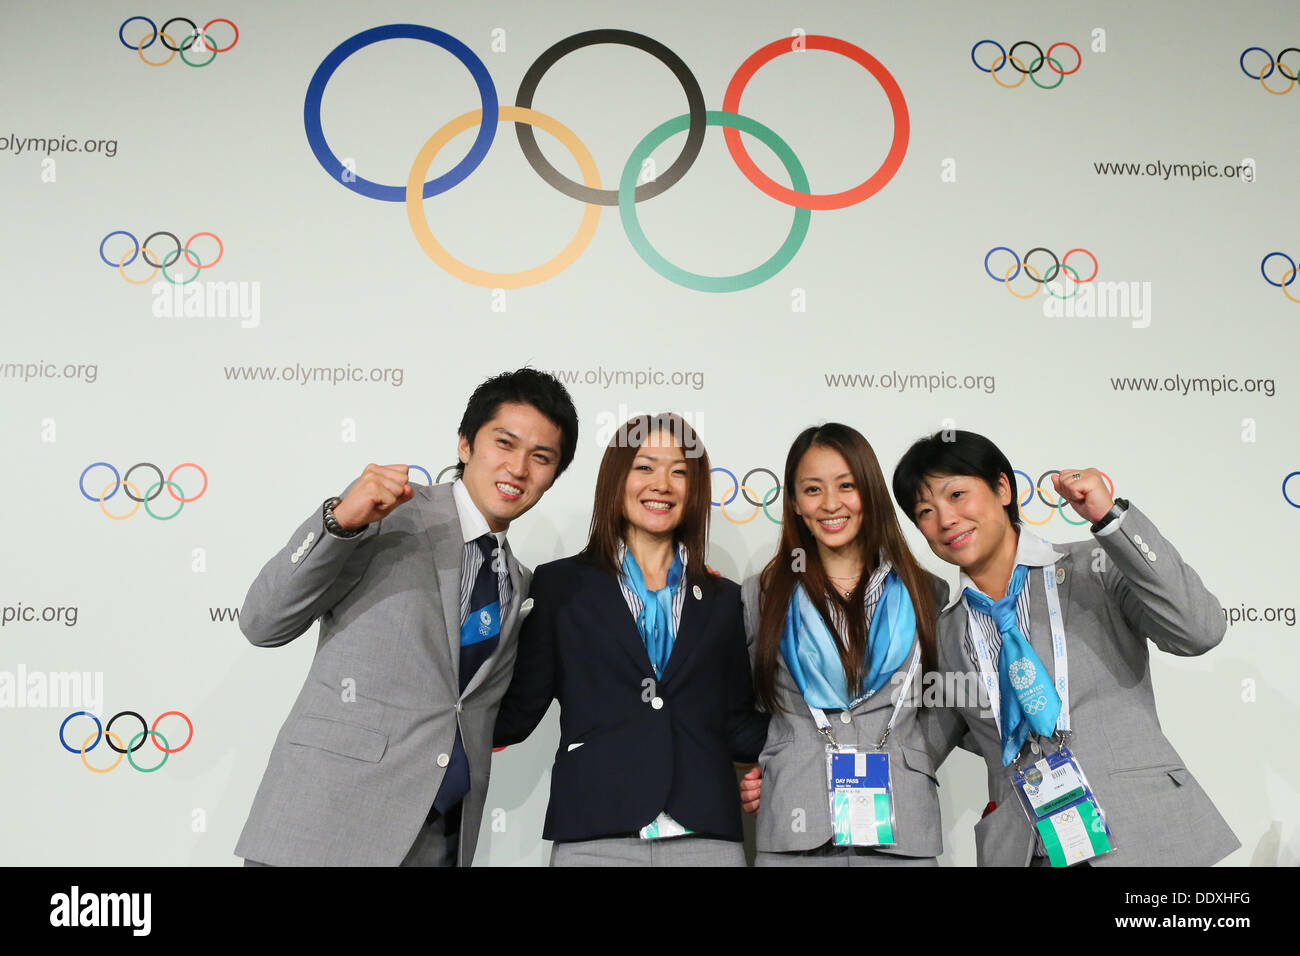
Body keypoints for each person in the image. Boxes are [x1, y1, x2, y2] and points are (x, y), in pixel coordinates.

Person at [234, 368, 579, 866]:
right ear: (465, 444)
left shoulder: (519, 582)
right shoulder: (387, 515)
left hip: (436, 842)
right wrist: (338, 522)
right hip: (320, 829)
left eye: (541, 457)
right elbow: (262, 623)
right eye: (505, 443)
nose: (519, 468)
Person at [891, 429, 1239, 866]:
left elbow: (1198, 630)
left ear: (1002, 488)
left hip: (1139, 838)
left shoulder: (1096, 566)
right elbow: (919, 744)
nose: (946, 519)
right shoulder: (945, 629)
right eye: (925, 511)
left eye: (957, 494)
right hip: (1024, 849)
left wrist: (1110, 518)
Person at [493, 413, 769, 865]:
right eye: (644, 467)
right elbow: (519, 711)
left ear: (695, 489)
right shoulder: (561, 586)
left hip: (707, 835)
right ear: (616, 479)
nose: (661, 484)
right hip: (595, 830)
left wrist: (804, 748)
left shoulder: (725, 600)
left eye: (679, 471)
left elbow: (737, 722)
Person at [739, 423, 954, 866]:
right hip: (795, 832)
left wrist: (908, 754)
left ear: (870, 493)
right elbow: (734, 705)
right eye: (813, 489)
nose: (831, 504)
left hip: (902, 829)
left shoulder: (927, 593)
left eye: (846, 486)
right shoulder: (758, 596)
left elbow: (948, 705)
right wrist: (766, 759)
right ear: (796, 503)